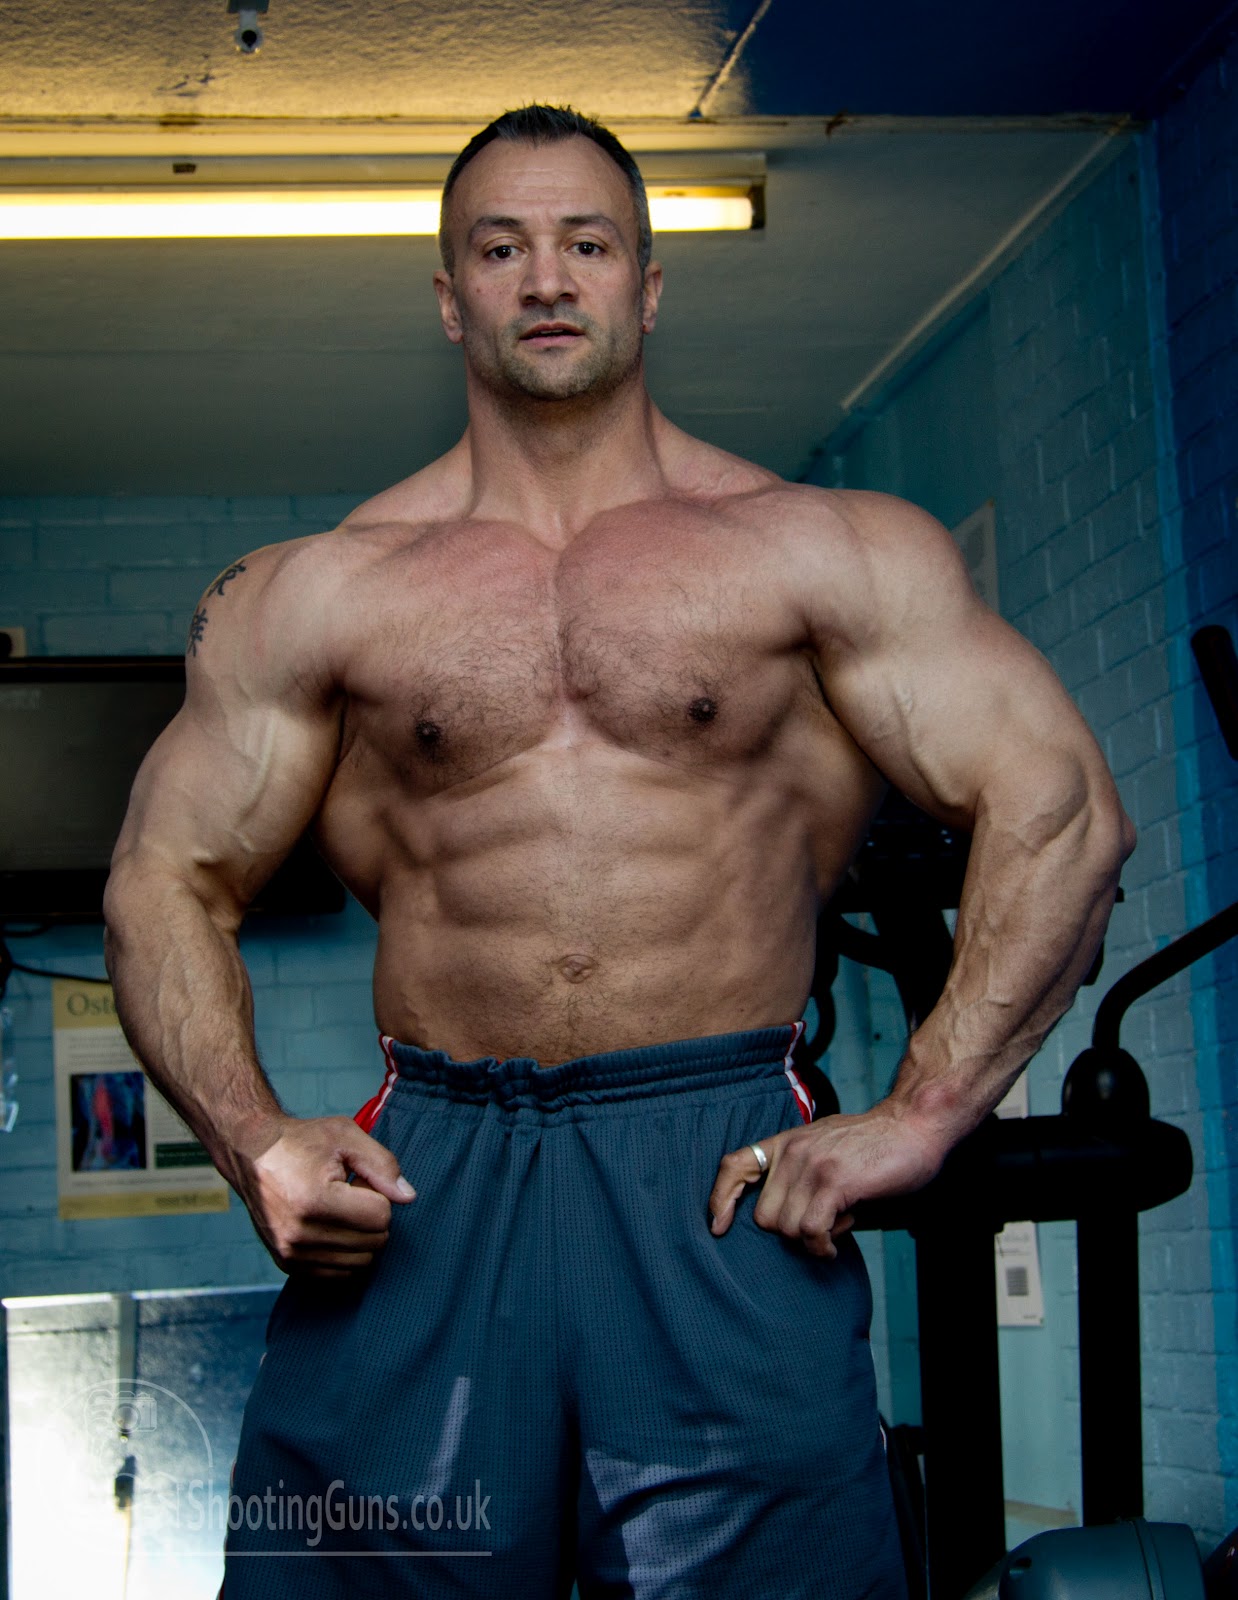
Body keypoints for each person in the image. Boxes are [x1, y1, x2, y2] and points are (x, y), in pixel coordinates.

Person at [103, 104, 1135, 1600]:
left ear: (648, 283)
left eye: (586, 244)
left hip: (709, 1159)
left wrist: (924, 1112)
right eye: (500, 247)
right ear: (447, 293)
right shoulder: (318, 593)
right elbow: (161, 878)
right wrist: (252, 1136)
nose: (544, 279)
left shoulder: (818, 551)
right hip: (429, 1178)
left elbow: (1062, 814)